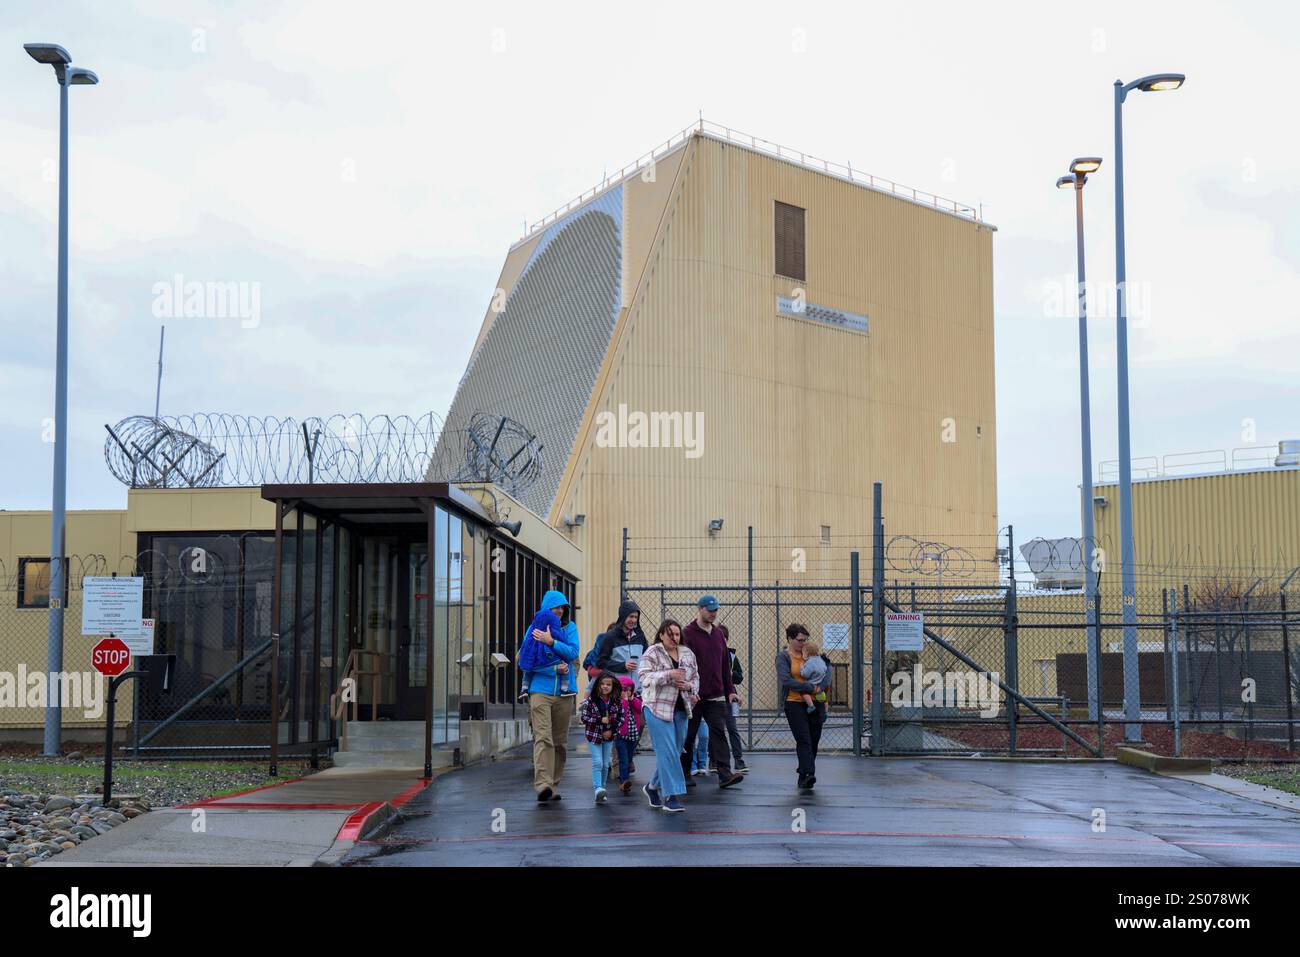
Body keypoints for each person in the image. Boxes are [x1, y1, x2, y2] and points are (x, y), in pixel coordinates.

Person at [679, 595, 744, 789]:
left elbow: (725, 667)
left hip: (716, 695)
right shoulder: (687, 634)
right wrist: (689, 690)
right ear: (699, 609)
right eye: (710, 610)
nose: (713, 613)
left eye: (715, 610)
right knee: (689, 736)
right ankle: (684, 774)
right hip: (694, 696)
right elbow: (683, 664)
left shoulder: (717, 635)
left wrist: (730, 691)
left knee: (718, 733)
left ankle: (725, 774)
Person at [520, 590, 580, 802]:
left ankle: (553, 785)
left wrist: (551, 641)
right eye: (556, 607)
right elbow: (525, 659)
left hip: (565, 694)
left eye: (563, 608)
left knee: (559, 742)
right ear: (547, 608)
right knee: (543, 737)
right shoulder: (533, 628)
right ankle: (543, 784)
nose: (560, 611)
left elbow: (573, 653)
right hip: (540, 691)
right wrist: (553, 670)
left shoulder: (569, 628)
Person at [636, 619, 698, 813]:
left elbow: (695, 678)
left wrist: (689, 686)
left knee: (676, 750)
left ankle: (652, 786)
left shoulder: (687, 653)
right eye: (670, 634)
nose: (674, 637)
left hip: (681, 708)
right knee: (668, 751)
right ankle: (671, 796)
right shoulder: (652, 652)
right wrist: (669, 674)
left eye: (677, 634)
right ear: (661, 634)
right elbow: (644, 677)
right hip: (656, 708)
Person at [777, 623, 829, 790]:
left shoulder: (813, 654)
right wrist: (808, 687)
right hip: (794, 702)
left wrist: (820, 687)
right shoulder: (783, 657)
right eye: (800, 640)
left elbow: (827, 671)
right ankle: (809, 773)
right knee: (804, 739)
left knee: (814, 739)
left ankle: (803, 774)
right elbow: (786, 680)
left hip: (817, 702)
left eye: (805, 640)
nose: (803, 643)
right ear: (790, 639)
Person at [580, 671, 624, 804]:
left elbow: (621, 719)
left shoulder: (616, 702)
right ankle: (597, 788)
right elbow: (584, 718)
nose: (605, 687)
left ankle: (602, 790)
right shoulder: (590, 701)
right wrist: (600, 720)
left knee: (606, 764)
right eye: (602, 684)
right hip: (594, 736)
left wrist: (611, 728)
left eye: (608, 684)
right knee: (598, 762)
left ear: (613, 686)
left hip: (609, 737)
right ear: (597, 686)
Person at [593, 600, 647, 686]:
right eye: (631, 616)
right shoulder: (610, 637)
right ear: (623, 616)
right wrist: (622, 666)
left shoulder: (640, 636)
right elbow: (601, 662)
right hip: (617, 690)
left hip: (638, 690)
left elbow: (646, 658)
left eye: (636, 617)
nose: (633, 620)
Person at [614, 675, 643, 793]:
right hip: (621, 735)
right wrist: (625, 701)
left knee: (629, 758)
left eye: (629, 690)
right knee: (623, 759)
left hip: (633, 734)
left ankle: (625, 779)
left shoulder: (634, 699)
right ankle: (624, 782)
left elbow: (639, 708)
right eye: (624, 690)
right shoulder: (616, 702)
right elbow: (621, 712)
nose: (627, 692)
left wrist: (631, 700)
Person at [724, 644, 748, 774]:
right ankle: (713, 760)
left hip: (730, 697)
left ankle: (738, 760)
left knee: (732, 728)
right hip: (715, 697)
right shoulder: (710, 654)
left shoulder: (732, 657)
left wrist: (733, 674)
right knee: (716, 730)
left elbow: (739, 678)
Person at [798, 640, 830, 713]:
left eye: (803, 652)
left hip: (812, 683)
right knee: (824, 697)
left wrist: (802, 667)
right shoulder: (821, 660)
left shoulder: (810, 663)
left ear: (807, 653)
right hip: (821, 682)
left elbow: (805, 674)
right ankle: (826, 708)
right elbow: (825, 669)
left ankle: (811, 706)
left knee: (803, 691)